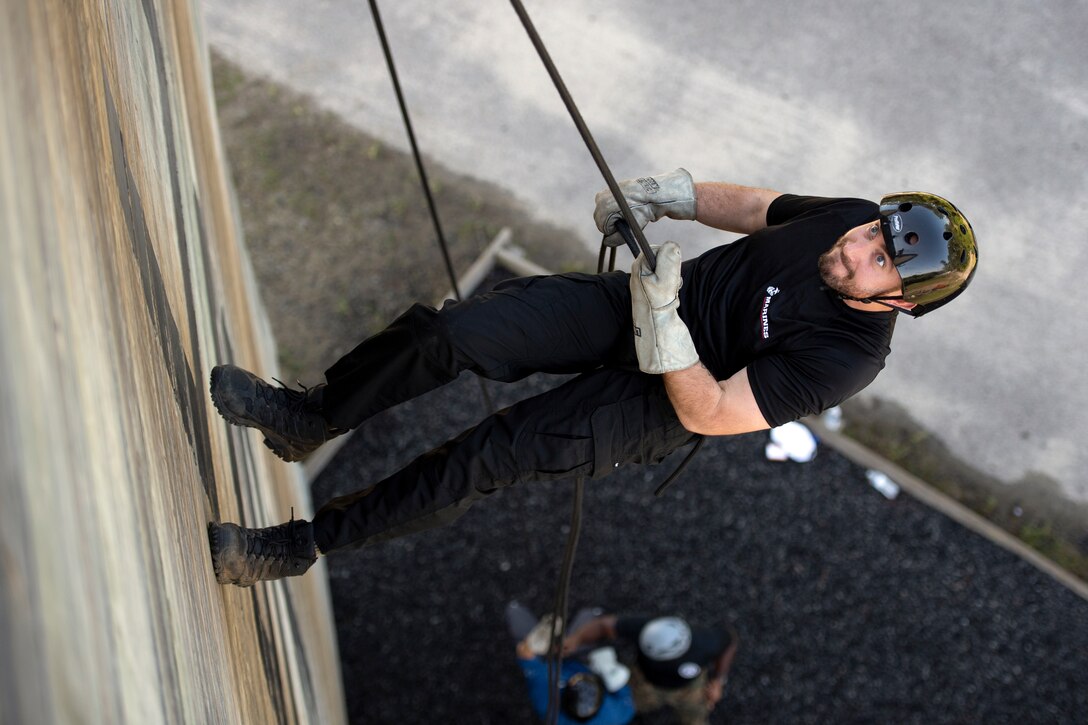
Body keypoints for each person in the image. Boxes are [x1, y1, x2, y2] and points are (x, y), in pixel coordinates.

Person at [206, 169, 979, 586]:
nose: (856, 246)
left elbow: (712, 412)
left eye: (879, 259)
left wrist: (668, 326)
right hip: (637, 306)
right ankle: (309, 418)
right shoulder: (840, 218)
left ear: (900, 300)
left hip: (659, 400)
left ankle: (299, 544)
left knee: (486, 456)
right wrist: (670, 195)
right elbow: (758, 206)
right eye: (873, 229)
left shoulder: (848, 358)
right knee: (454, 331)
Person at [562, 613, 739, 725]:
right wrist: (577, 639)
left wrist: (718, 681)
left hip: (690, 689)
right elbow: (604, 626)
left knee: (695, 717)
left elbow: (730, 641)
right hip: (645, 682)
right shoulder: (646, 628)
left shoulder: (705, 643)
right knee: (627, 707)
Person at [506, 602, 635, 724]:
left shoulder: (548, 705)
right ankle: (591, 618)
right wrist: (612, 673)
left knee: (516, 617)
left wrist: (534, 645)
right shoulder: (619, 714)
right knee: (589, 619)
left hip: (552, 666)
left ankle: (512, 605)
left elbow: (528, 659)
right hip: (583, 660)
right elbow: (626, 697)